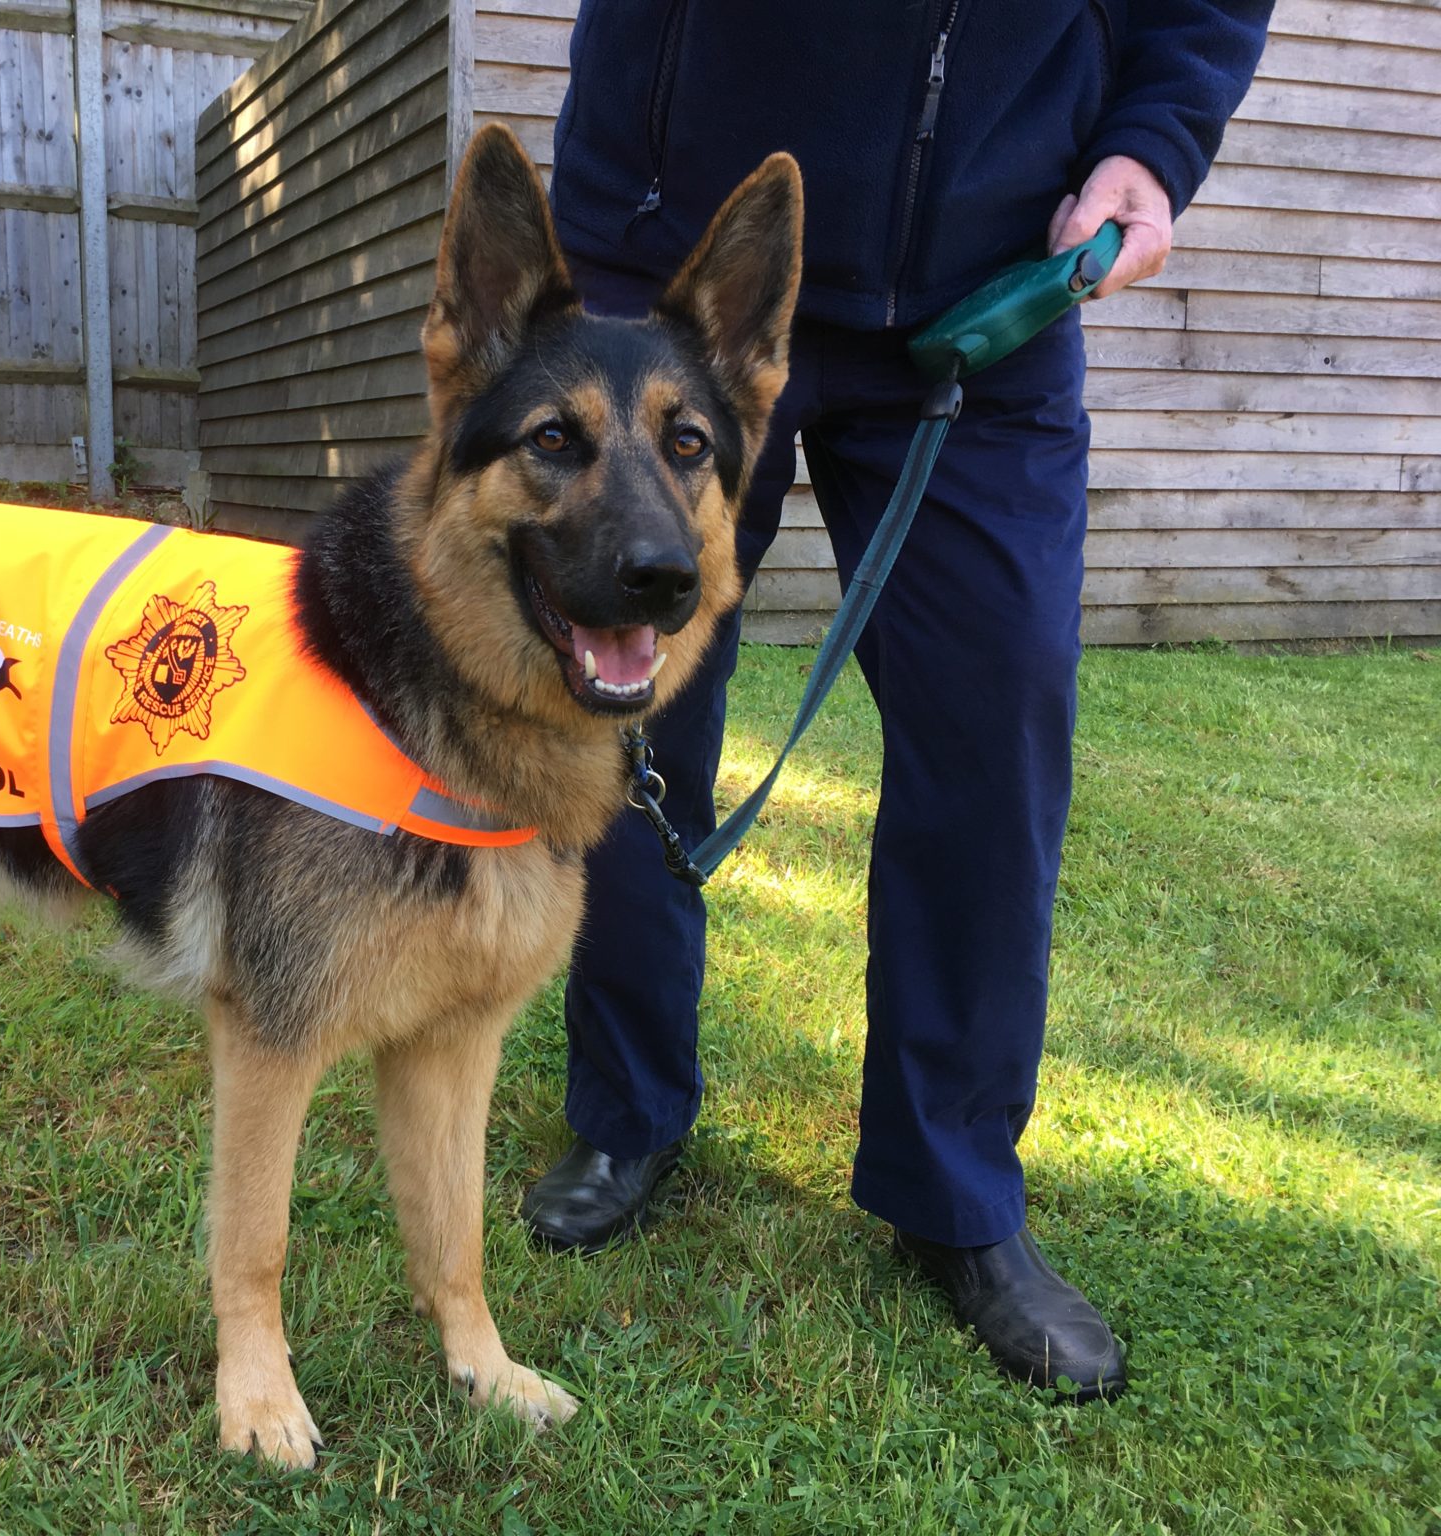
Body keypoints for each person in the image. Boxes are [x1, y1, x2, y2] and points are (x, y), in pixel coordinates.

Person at [518, 0, 1273, 1400]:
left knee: (997, 724)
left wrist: (1154, 145)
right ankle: (625, 1107)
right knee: (624, 699)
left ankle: (955, 1186)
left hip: (995, 272)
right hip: (681, 247)